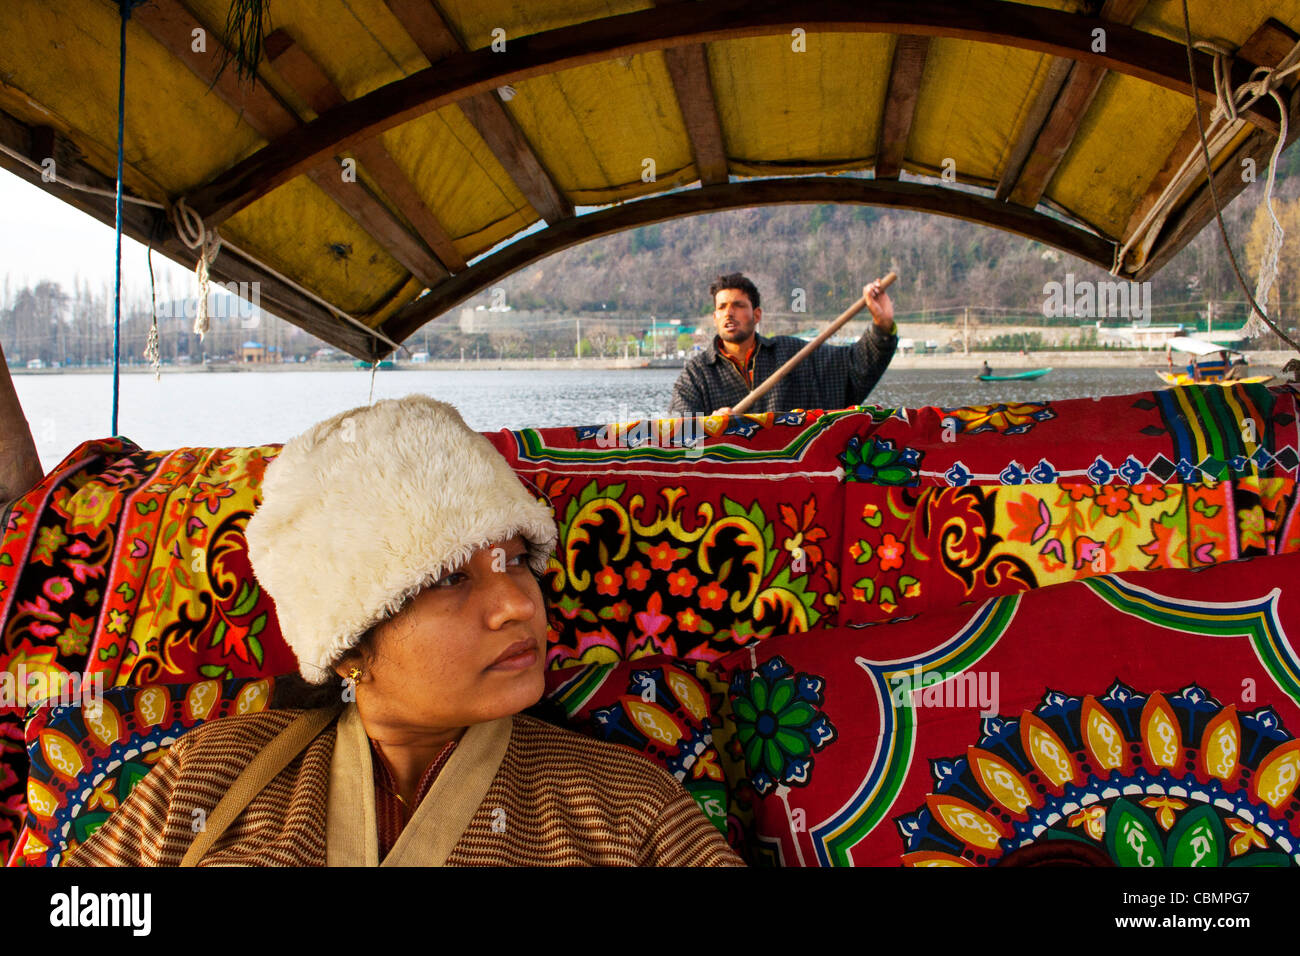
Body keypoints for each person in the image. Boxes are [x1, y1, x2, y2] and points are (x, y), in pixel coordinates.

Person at [66, 396, 741, 867]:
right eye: (450, 578)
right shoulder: (207, 777)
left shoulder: (626, 810)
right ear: (351, 646)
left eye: (516, 562)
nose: (518, 606)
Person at [667, 272, 896, 416]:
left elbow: (855, 366)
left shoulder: (793, 354)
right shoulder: (697, 373)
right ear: (714, 317)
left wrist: (882, 325)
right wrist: (710, 425)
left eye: (738, 305)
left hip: (793, 481)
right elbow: (679, 433)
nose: (729, 313)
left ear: (757, 315)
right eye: (722, 307)